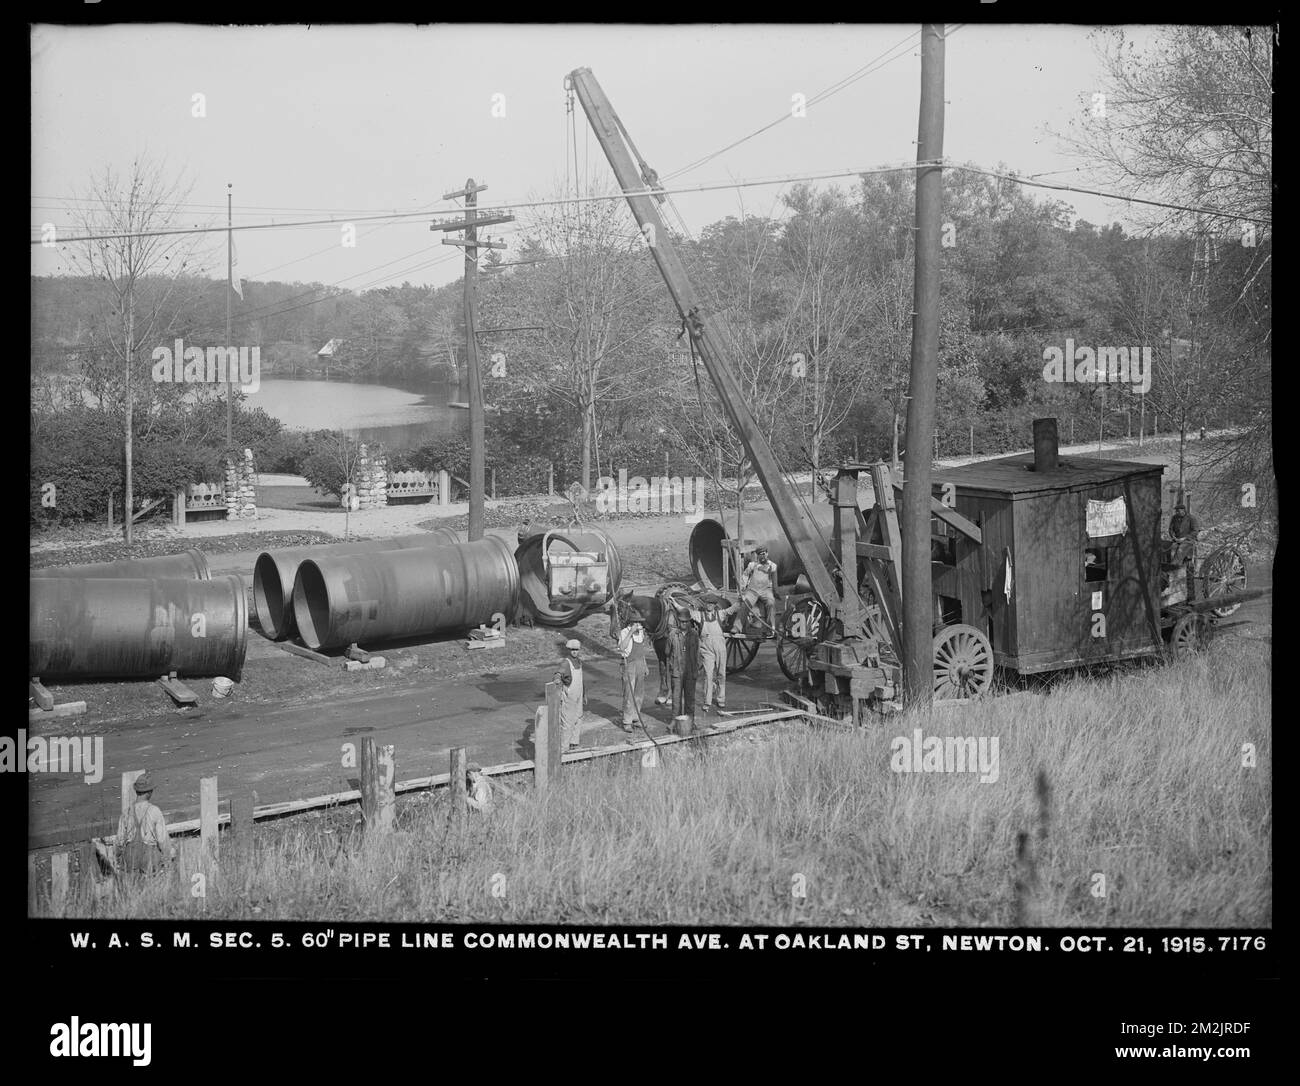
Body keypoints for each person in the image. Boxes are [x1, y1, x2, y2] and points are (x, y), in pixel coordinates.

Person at [115, 773, 174, 875]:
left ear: (136, 791)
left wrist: (117, 858)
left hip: (130, 859)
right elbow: (163, 840)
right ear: (149, 792)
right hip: (149, 859)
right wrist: (168, 858)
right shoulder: (154, 811)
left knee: (133, 888)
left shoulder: (126, 812)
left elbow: (119, 842)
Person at [693, 599, 737, 713]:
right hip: (706, 648)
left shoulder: (720, 614)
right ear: (705, 604)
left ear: (714, 605)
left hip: (720, 646)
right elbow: (686, 611)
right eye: (708, 603)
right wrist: (674, 603)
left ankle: (721, 698)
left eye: (711, 603)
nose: (709, 605)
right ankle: (707, 701)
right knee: (708, 675)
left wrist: (741, 601)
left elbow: (732, 609)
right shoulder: (699, 615)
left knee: (721, 673)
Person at [665, 604, 700, 725]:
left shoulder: (694, 634)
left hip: (690, 672)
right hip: (677, 672)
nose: (684, 624)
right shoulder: (672, 635)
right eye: (681, 622)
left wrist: (696, 670)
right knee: (676, 699)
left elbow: (697, 654)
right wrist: (671, 668)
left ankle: (690, 721)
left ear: (689, 621)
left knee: (690, 699)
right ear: (678, 621)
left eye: (686, 622)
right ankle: (675, 721)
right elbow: (667, 652)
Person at [617, 616, 650, 733]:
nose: (639, 625)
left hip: (640, 663)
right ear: (630, 623)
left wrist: (645, 665)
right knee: (629, 694)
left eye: (639, 623)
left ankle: (636, 718)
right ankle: (627, 721)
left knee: (639, 693)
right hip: (629, 664)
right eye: (636, 623)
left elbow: (642, 651)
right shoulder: (624, 632)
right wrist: (630, 633)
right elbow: (621, 648)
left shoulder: (641, 633)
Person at [554, 638, 587, 750]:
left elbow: (582, 680)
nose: (574, 652)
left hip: (579, 694)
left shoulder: (579, 662)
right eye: (572, 650)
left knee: (578, 717)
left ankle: (574, 742)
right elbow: (558, 673)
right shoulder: (566, 662)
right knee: (567, 721)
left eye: (576, 650)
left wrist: (584, 695)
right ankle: (564, 747)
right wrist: (557, 679)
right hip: (569, 695)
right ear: (569, 650)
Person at [741, 544, 779, 637]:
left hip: (766, 590)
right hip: (753, 590)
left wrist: (776, 591)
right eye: (760, 554)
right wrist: (743, 586)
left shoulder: (772, 566)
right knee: (745, 602)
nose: (763, 556)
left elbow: (775, 581)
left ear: (767, 554)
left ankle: (770, 628)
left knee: (770, 602)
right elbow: (745, 575)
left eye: (764, 553)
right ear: (758, 555)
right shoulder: (752, 565)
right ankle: (741, 626)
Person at [1168, 502, 1201, 566]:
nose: (1177, 512)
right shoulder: (1174, 518)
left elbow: (1195, 531)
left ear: (1183, 510)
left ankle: (1175, 565)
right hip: (1177, 540)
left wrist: (1184, 538)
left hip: (1188, 540)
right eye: (1176, 511)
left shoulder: (1191, 518)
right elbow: (1170, 529)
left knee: (1181, 549)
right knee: (1170, 548)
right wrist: (1173, 537)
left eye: (1178, 511)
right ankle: (1168, 565)